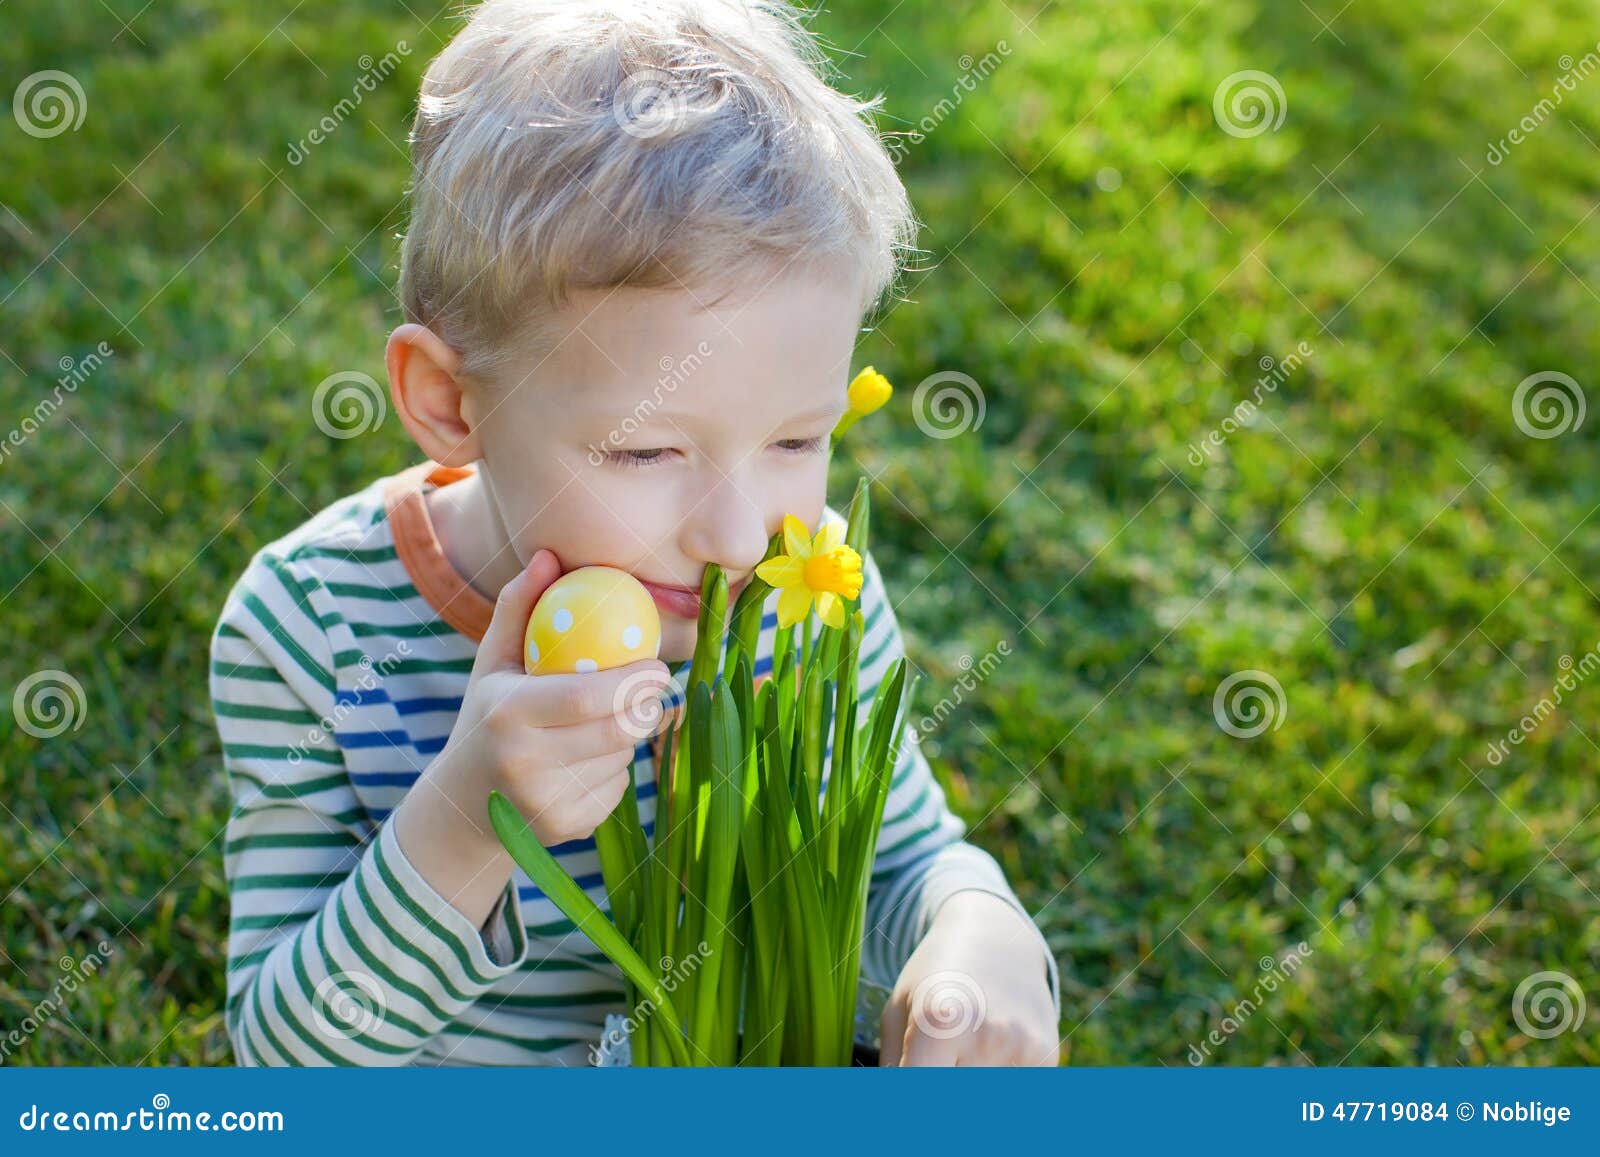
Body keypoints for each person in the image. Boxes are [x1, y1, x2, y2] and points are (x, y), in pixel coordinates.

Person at [210, 0, 1058, 1066]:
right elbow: (287, 1059)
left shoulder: (805, 589)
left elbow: (900, 861)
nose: (738, 533)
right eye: (644, 453)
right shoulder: (312, 629)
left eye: (798, 439)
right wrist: (471, 818)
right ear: (448, 400)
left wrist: (976, 932)